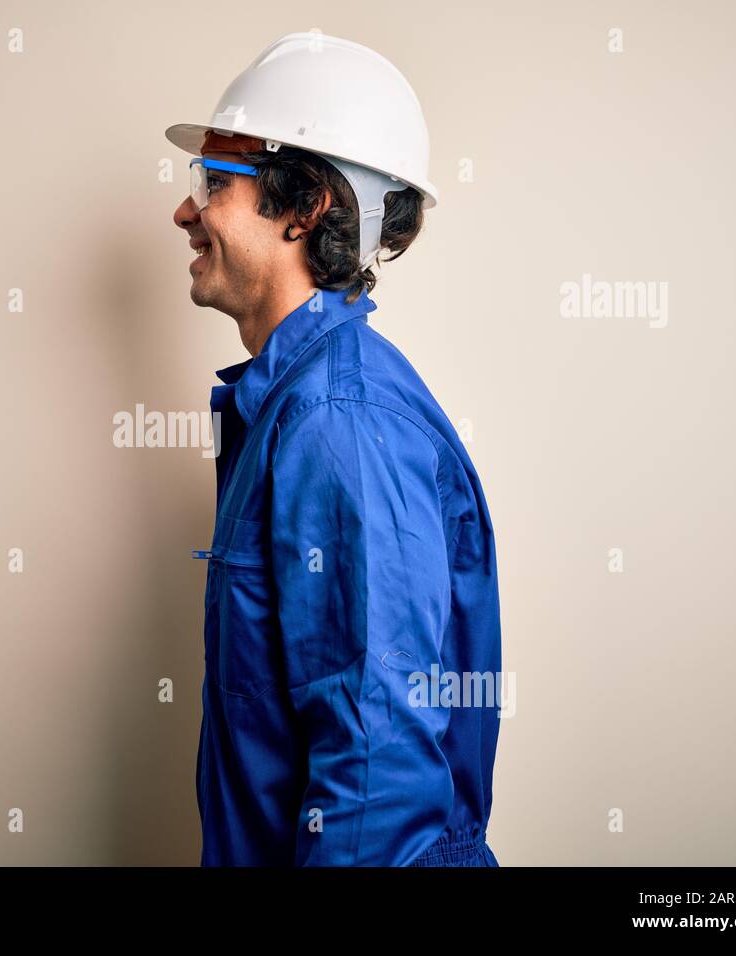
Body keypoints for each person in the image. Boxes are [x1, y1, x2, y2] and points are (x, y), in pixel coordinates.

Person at [166, 32, 503, 866]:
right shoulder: (293, 401)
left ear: (306, 206)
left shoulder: (339, 422)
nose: (184, 211)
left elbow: (376, 778)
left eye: (215, 182)